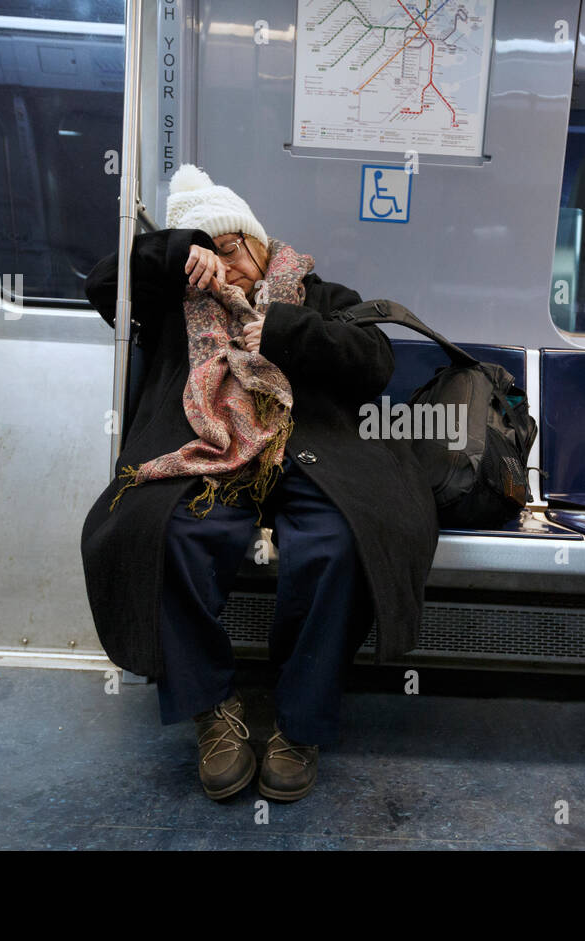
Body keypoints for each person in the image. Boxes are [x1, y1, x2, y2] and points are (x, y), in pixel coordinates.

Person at [80, 165, 439, 802]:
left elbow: (375, 364)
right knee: (166, 533)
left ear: (257, 242)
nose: (221, 266)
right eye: (205, 253)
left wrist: (285, 333)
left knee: (338, 544)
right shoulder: (173, 305)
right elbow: (102, 284)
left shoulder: (315, 292)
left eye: (226, 250)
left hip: (309, 456)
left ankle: (299, 724)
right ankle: (212, 709)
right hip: (210, 454)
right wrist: (174, 251)